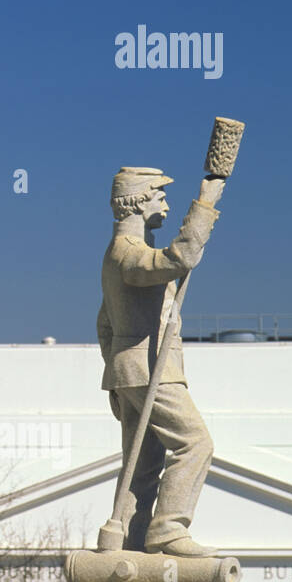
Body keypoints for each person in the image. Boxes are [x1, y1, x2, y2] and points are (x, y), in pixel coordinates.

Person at [97, 166, 224, 558]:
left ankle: (131, 539)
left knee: (145, 461)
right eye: (160, 195)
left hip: (133, 371)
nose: (166, 204)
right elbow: (182, 256)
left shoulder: (121, 254)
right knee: (195, 443)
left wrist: (116, 379)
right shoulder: (127, 255)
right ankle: (168, 529)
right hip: (149, 368)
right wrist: (204, 203)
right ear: (138, 200)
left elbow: (104, 323)